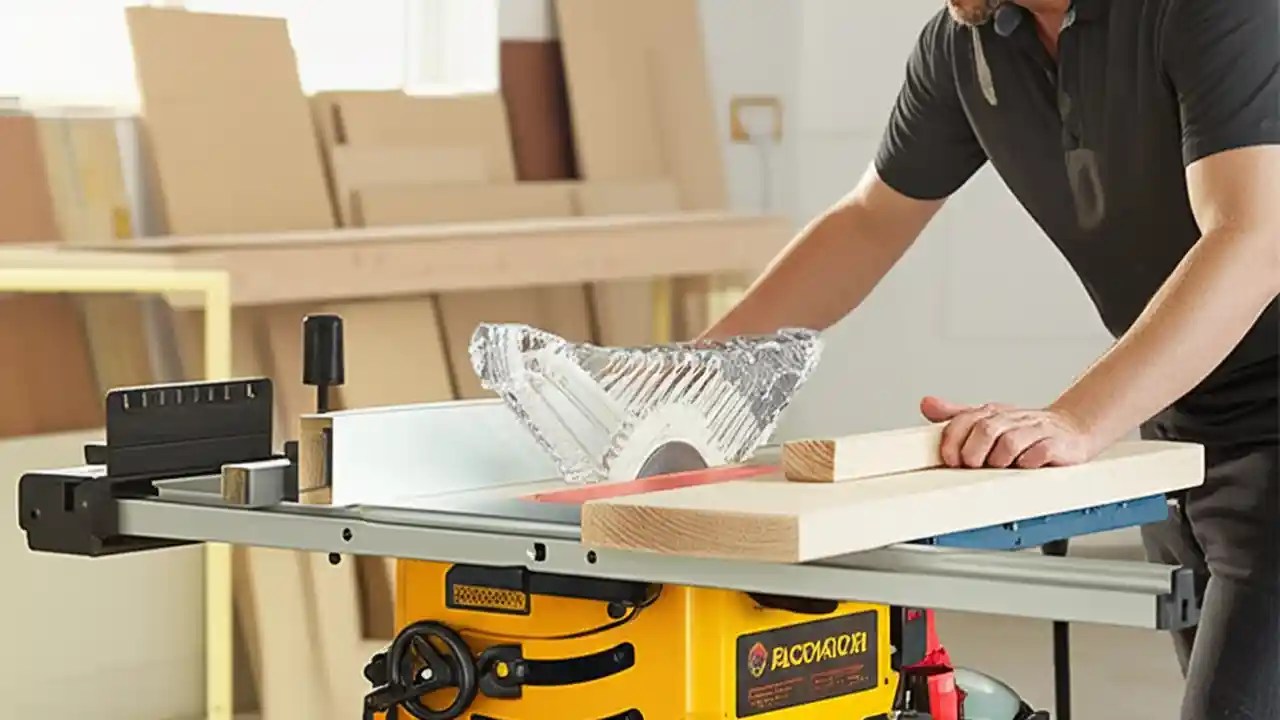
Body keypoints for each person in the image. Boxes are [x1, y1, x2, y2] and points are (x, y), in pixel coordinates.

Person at [699, 1, 1279, 718]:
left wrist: (1075, 418)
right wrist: (694, 379)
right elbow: (869, 222)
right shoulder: (965, 45)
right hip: (1180, 426)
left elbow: (1257, 235)